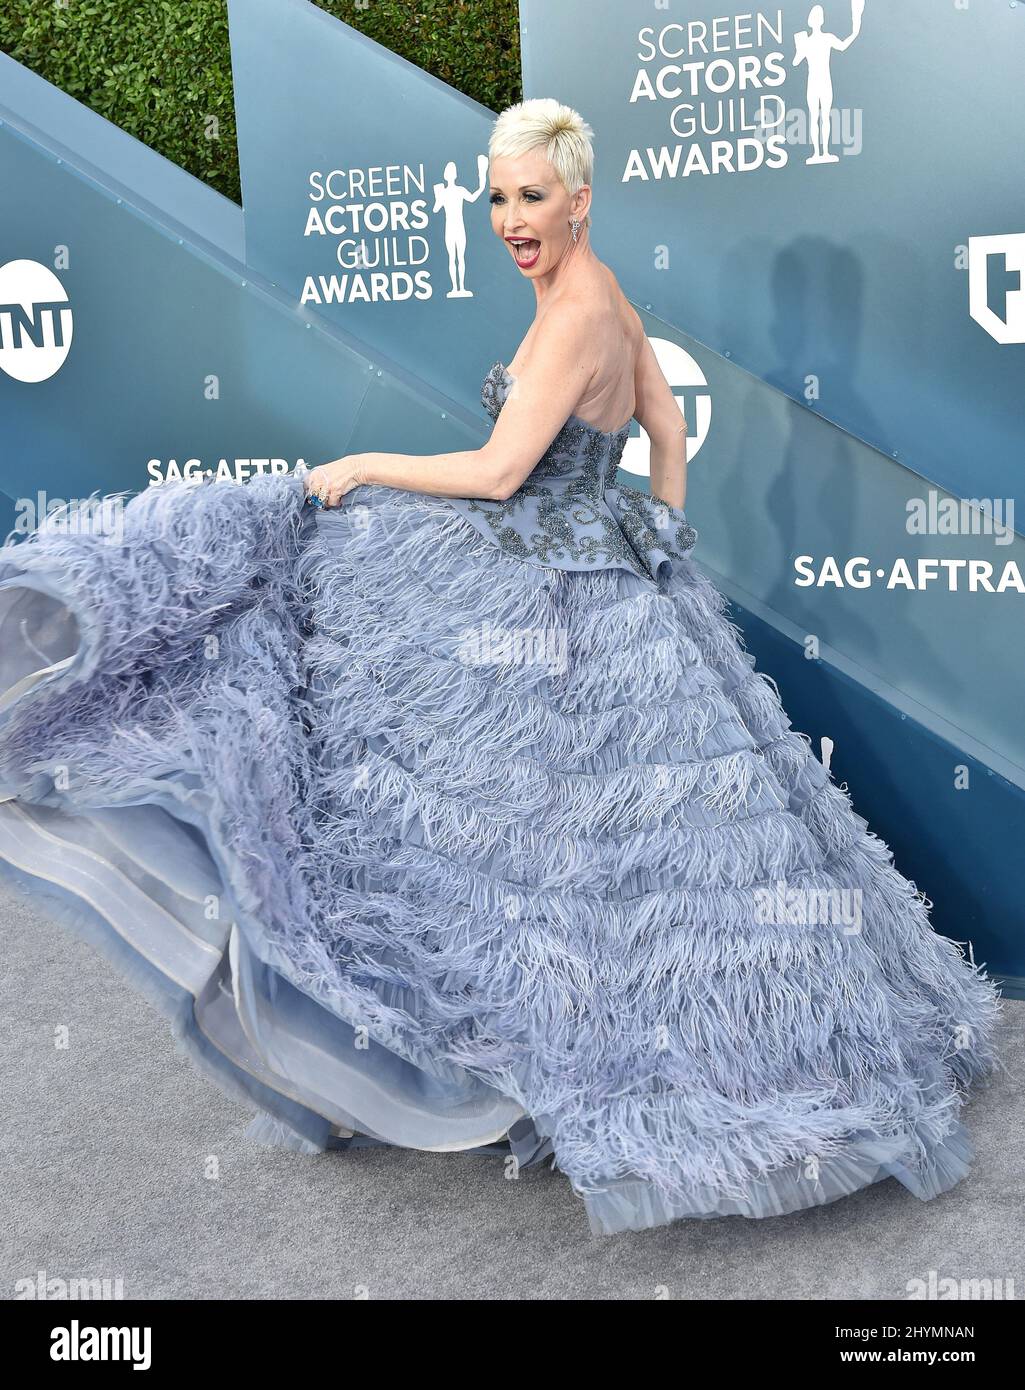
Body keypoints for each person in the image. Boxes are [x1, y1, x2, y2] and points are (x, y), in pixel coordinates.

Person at [0, 98, 1002, 1237]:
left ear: (581, 197)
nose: (511, 219)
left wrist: (361, 461)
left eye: (532, 196)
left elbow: (494, 472)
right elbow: (664, 430)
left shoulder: (577, 313)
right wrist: (656, 536)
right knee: (604, 858)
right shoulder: (608, 293)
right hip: (608, 580)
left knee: (571, 861)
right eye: (496, 197)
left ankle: (613, 1063)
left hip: (558, 597)